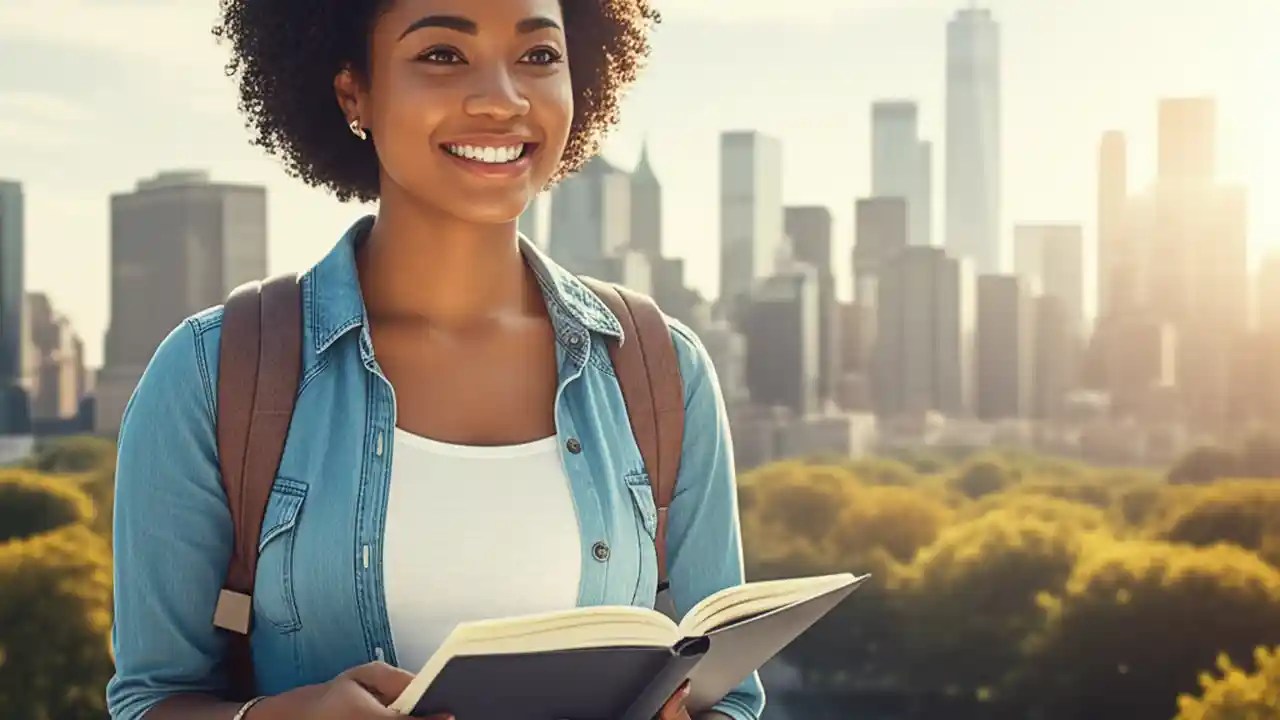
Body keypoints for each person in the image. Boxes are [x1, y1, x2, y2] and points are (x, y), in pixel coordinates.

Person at [105, 0, 764, 718]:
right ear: (353, 90)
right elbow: (150, 700)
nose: (503, 99)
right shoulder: (211, 375)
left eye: (539, 56)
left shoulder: (662, 372)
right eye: (442, 55)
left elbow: (727, 698)